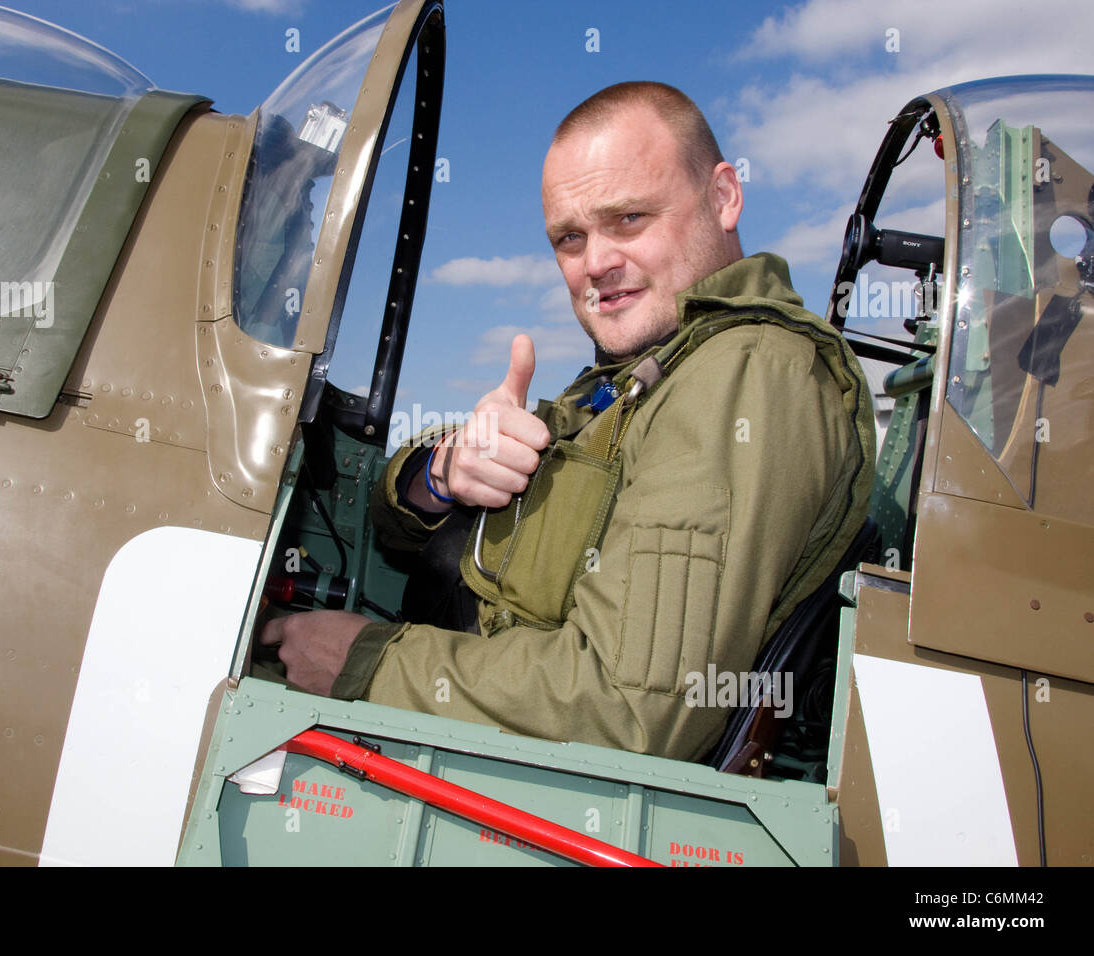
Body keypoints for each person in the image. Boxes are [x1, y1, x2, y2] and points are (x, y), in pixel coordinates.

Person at [260, 81, 875, 761]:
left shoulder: (747, 372)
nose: (596, 264)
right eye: (570, 238)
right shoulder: (638, 376)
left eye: (630, 219)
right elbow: (393, 518)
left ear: (724, 197)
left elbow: (626, 710)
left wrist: (364, 663)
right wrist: (445, 473)